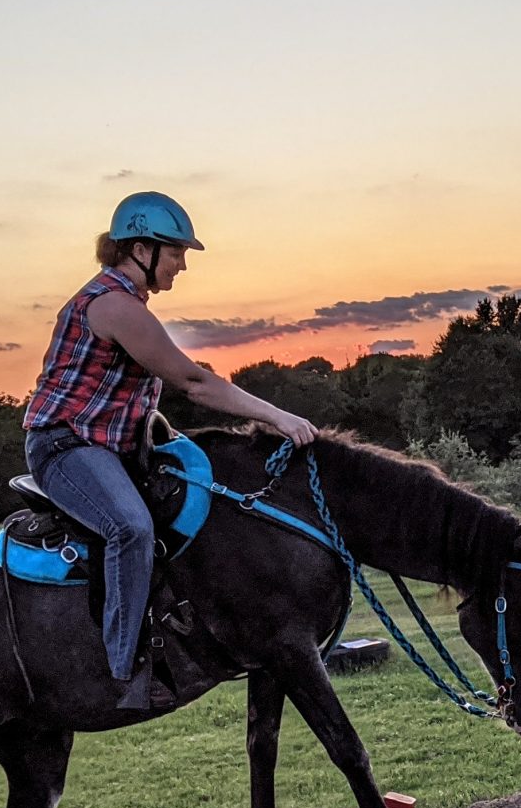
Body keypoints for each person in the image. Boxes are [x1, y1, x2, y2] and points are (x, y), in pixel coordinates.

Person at [23, 191, 317, 710]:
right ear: (140, 249)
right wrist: (279, 417)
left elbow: (134, 396)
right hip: (64, 447)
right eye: (176, 252)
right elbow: (193, 382)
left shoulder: (129, 307)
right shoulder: (112, 305)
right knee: (130, 527)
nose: (182, 265)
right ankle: (124, 670)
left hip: (110, 448)